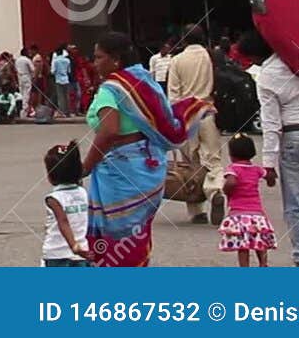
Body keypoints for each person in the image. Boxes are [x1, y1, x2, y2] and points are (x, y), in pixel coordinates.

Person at [81, 32, 212, 267]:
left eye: (99, 57)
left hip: (121, 171)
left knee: (117, 232)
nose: (95, 62)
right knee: (137, 232)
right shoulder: (144, 80)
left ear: (116, 60)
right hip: (148, 167)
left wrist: (85, 167)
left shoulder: (112, 89)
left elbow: (108, 130)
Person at [244, 29, 299, 267]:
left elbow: (271, 123)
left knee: (296, 204)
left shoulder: (267, 75)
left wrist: (268, 164)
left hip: (294, 136)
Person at [167, 26, 225, 224]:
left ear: (183, 40)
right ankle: (215, 190)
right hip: (208, 111)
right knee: (213, 157)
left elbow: (173, 95)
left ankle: (195, 209)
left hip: (186, 115)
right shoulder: (212, 56)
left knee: (190, 161)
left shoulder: (176, 60)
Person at [217, 134, 275, 267]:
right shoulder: (256, 169)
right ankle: (263, 263)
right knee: (259, 239)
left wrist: (226, 190)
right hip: (257, 212)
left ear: (231, 154)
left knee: (243, 245)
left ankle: (244, 267)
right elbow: (270, 178)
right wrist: (270, 180)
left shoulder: (233, 169)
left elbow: (231, 182)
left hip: (239, 212)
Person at [42, 142, 91, 267]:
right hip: (81, 252)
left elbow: (63, 222)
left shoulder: (54, 199)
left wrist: (73, 245)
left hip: (57, 254)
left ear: (50, 176)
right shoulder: (83, 193)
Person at [50, 46, 72, 116]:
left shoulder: (55, 61)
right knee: (67, 96)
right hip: (66, 79)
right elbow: (69, 71)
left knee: (60, 97)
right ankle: (68, 111)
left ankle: (62, 112)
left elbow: (53, 71)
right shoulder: (67, 60)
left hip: (58, 80)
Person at [14, 48, 34, 117]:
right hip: (26, 76)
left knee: (21, 93)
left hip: (19, 77)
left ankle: (22, 110)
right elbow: (32, 69)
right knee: (27, 94)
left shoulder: (17, 60)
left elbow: (15, 69)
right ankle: (25, 111)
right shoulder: (27, 60)